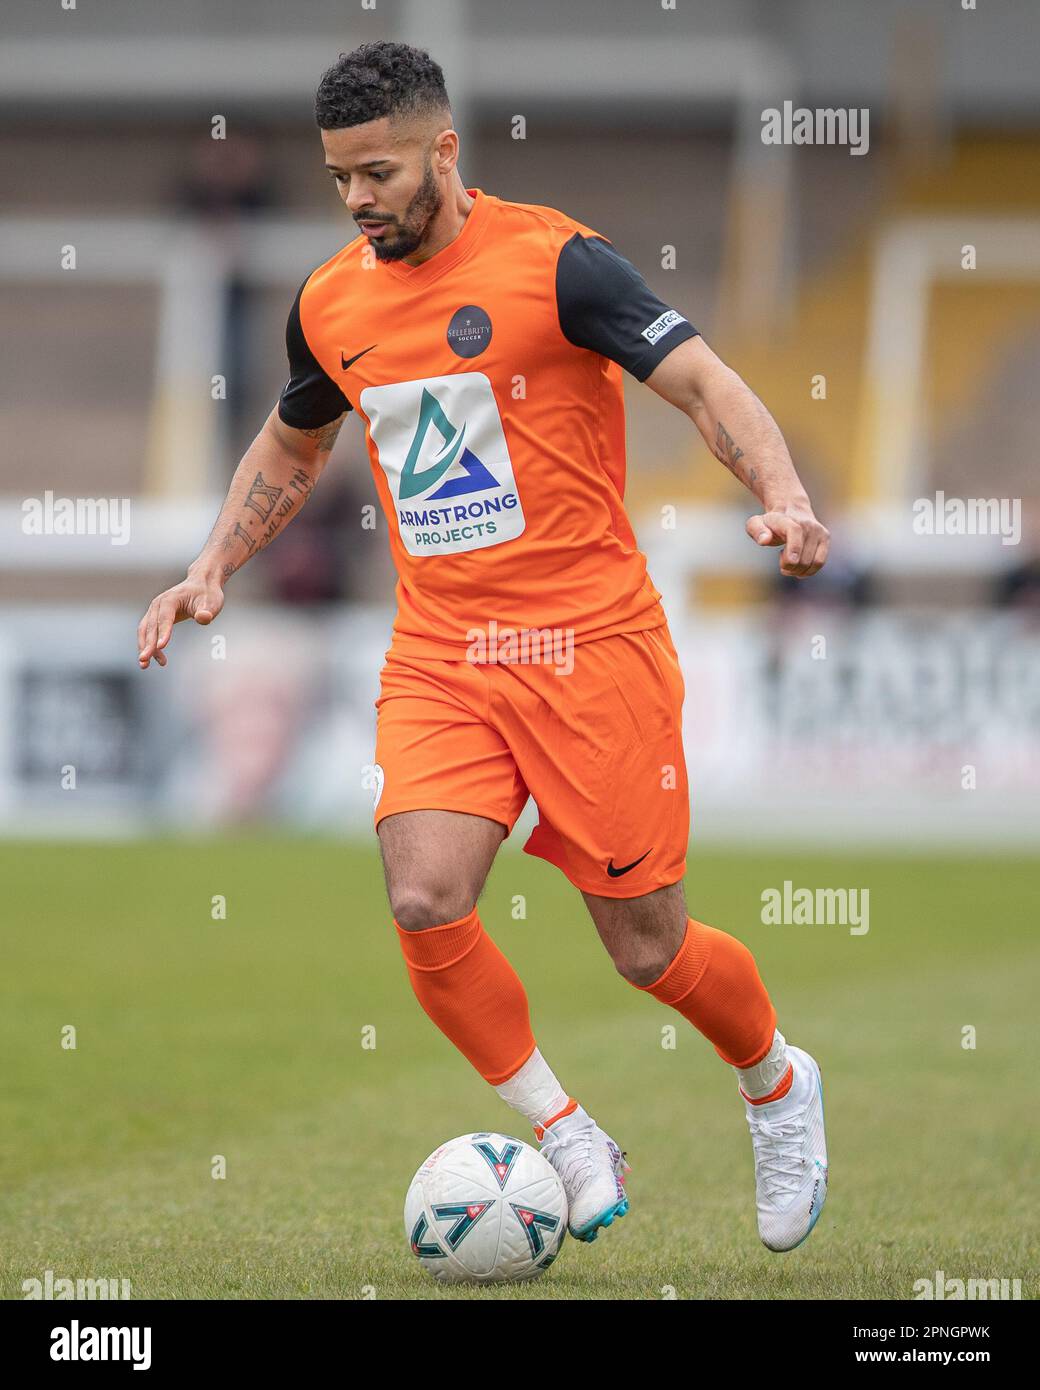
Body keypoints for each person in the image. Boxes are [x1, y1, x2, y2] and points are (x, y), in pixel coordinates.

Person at [137, 41, 831, 1253]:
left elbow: (706, 385)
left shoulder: (558, 264)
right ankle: (564, 1132)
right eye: (338, 176)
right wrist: (211, 566)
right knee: (423, 896)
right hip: (444, 654)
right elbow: (291, 446)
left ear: (441, 152)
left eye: (378, 170)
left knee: (645, 947)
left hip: (589, 647)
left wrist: (781, 491)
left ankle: (774, 1082)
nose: (356, 197)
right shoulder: (330, 301)